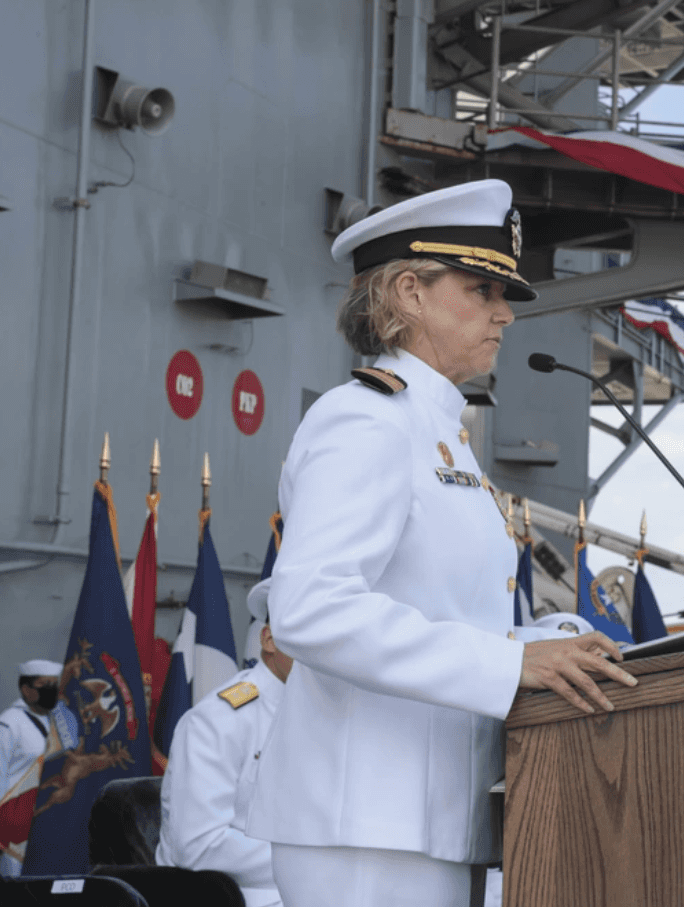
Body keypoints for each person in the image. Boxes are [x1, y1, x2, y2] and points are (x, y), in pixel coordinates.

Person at [243, 180, 638, 907]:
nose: (504, 312)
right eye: (482, 288)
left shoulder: (438, 435)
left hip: (420, 818)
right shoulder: (366, 420)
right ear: (408, 292)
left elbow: (438, 611)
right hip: (361, 822)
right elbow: (310, 610)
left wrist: (548, 640)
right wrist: (511, 661)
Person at [157, 582, 291, 907]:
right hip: (239, 896)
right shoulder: (220, 719)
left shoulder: (323, 715)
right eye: (309, 635)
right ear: (269, 640)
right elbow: (200, 845)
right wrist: (316, 860)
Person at [0, 659, 62, 877]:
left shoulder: (63, 723)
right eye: (45, 685)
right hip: (16, 825)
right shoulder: (9, 724)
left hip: (52, 820)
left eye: (55, 685)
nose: (51, 690)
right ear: (26, 689)